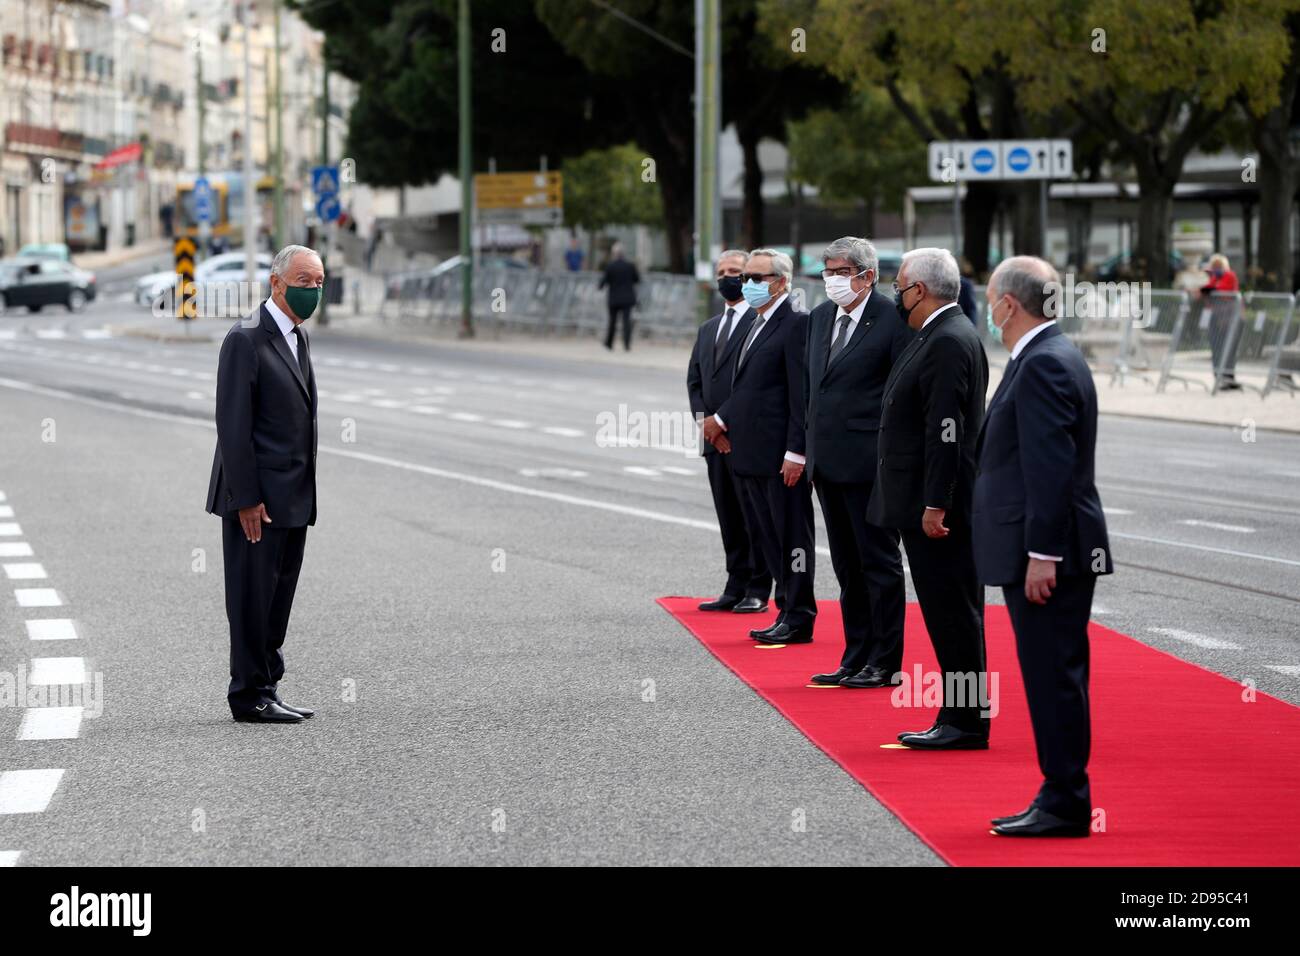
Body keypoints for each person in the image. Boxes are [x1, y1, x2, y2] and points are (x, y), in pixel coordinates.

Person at [975, 255, 1112, 836]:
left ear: (1009, 303)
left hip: (1050, 554)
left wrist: (1043, 555)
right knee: (1054, 674)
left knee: (1053, 676)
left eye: (989, 296)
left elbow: (1050, 468)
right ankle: (1062, 794)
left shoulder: (1043, 363)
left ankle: (1064, 800)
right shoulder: (1044, 353)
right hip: (1046, 546)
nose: (985, 305)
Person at [867, 247, 989, 749]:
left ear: (919, 289)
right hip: (928, 500)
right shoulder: (940, 333)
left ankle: (964, 722)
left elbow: (946, 431)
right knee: (952, 612)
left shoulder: (946, 339)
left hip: (938, 507)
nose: (897, 294)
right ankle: (960, 715)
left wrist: (936, 502)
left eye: (900, 286)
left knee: (952, 613)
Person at [206, 245, 323, 724]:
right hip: (257, 500)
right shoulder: (246, 339)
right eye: (303, 280)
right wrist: (247, 499)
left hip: (293, 497)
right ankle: (247, 694)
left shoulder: (296, 337)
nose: (312, 290)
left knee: (277, 597)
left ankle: (267, 685)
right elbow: (233, 427)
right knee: (251, 598)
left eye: (319, 282)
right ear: (277, 282)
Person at [804, 238, 913, 688]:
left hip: (871, 465)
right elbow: (815, 388)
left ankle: (884, 662)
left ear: (867, 275)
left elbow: (902, 394)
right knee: (847, 566)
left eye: (841, 270)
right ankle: (855, 654)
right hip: (827, 464)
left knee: (878, 563)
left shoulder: (892, 320)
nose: (832, 279)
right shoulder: (819, 318)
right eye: (827, 271)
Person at [700, 249, 816, 644]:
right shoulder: (756, 323)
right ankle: (785, 608)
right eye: (745, 277)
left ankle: (798, 613)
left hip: (778, 455)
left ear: (782, 282)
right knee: (767, 537)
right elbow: (747, 388)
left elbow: (801, 395)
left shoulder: (795, 324)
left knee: (791, 538)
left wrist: (796, 451)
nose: (747, 285)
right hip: (749, 454)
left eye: (757, 278)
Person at [687, 249, 772, 614]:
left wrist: (724, 423)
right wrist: (707, 425)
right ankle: (734, 583)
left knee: (755, 518)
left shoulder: (759, 325)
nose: (727, 277)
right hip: (714, 442)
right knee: (729, 516)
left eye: (735, 271)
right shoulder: (708, 329)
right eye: (721, 271)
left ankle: (758, 587)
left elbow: (754, 385)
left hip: (745, 438)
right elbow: (695, 380)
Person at [1199, 253, 1242, 390]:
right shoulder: (1214, 277)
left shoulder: (1229, 275)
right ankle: (1220, 377)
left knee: (1229, 349)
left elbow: (1217, 290)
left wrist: (1207, 290)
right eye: (1214, 266)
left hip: (1229, 318)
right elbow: (1206, 290)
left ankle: (1228, 378)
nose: (1216, 269)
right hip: (1216, 318)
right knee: (1217, 348)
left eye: (1219, 266)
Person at [598, 242, 639, 350]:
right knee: (626, 321)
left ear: (614, 254)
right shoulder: (630, 266)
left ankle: (609, 343)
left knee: (612, 321)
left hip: (614, 298)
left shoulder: (610, 266)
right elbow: (637, 279)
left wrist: (600, 287)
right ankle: (627, 344)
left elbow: (603, 282)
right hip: (627, 298)